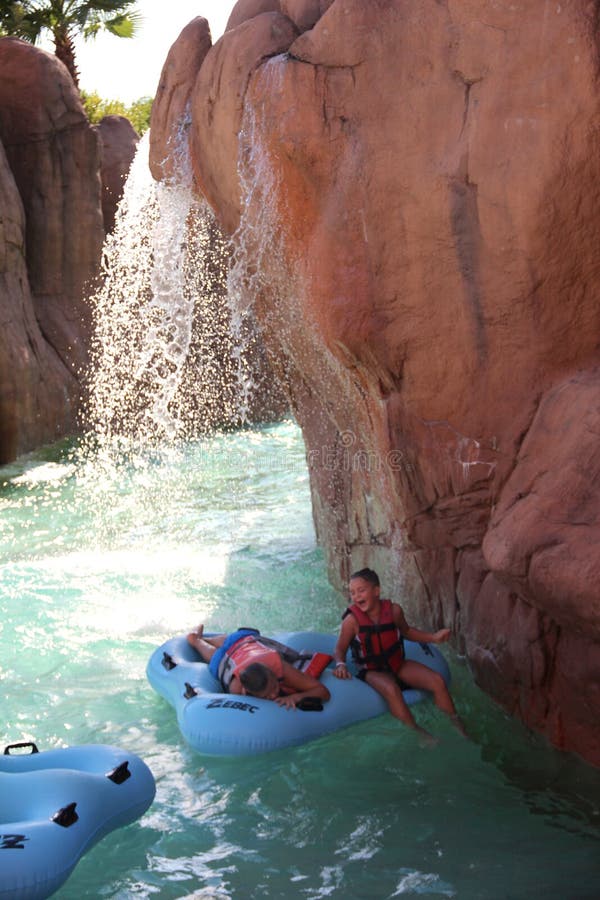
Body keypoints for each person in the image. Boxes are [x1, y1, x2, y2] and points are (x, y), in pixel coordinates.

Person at [333, 568, 466, 738]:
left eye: (361, 590)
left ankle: (456, 724)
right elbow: (340, 648)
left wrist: (433, 638)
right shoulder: (351, 621)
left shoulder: (394, 611)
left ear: (376, 591)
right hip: (371, 670)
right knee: (391, 689)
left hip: (397, 663)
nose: (357, 596)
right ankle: (421, 734)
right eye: (352, 592)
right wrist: (340, 664)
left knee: (437, 681)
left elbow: (407, 632)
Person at [187, 625, 331, 709]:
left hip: (243, 641)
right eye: (267, 695)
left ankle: (209, 639)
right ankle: (195, 638)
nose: (274, 695)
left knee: (234, 640)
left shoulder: (281, 668)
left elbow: (322, 691)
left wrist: (297, 696)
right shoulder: (237, 689)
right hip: (226, 661)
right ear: (249, 692)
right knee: (214, 656)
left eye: (275, 687)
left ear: (273, 674)